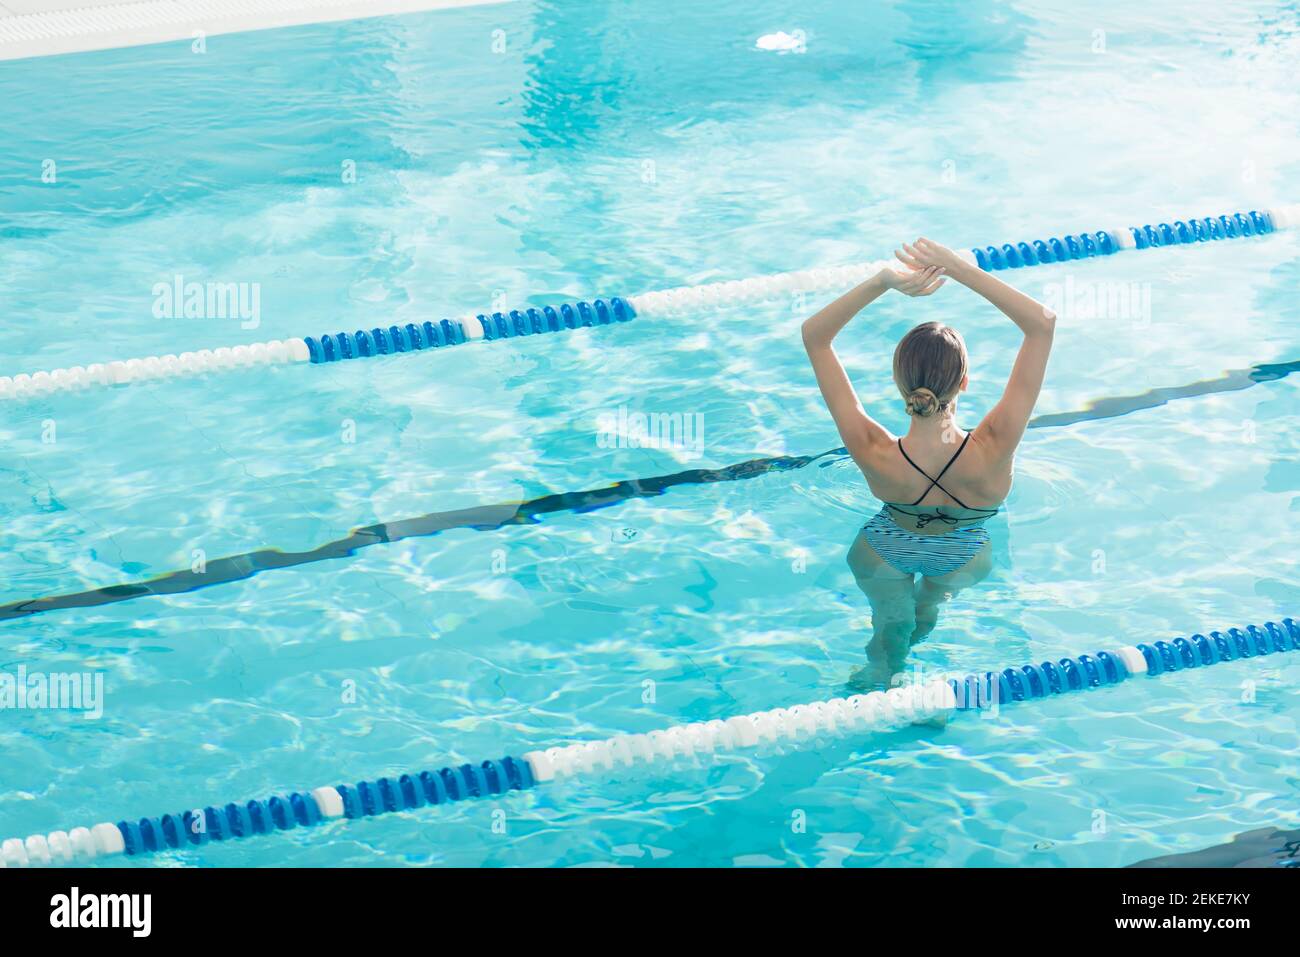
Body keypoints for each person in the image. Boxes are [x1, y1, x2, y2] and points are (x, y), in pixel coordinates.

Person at [801, 238, 1056, 689]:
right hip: (963, 557)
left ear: (899, 385)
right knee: (925, 611)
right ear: (963, 382)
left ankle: (882, 673)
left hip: (881, 550)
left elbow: (814, 336)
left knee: (889, 623)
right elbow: (1041, 325)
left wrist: (883, 281)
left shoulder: (871, 448)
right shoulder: (995, 444)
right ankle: (905, 679)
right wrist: (958, 268)